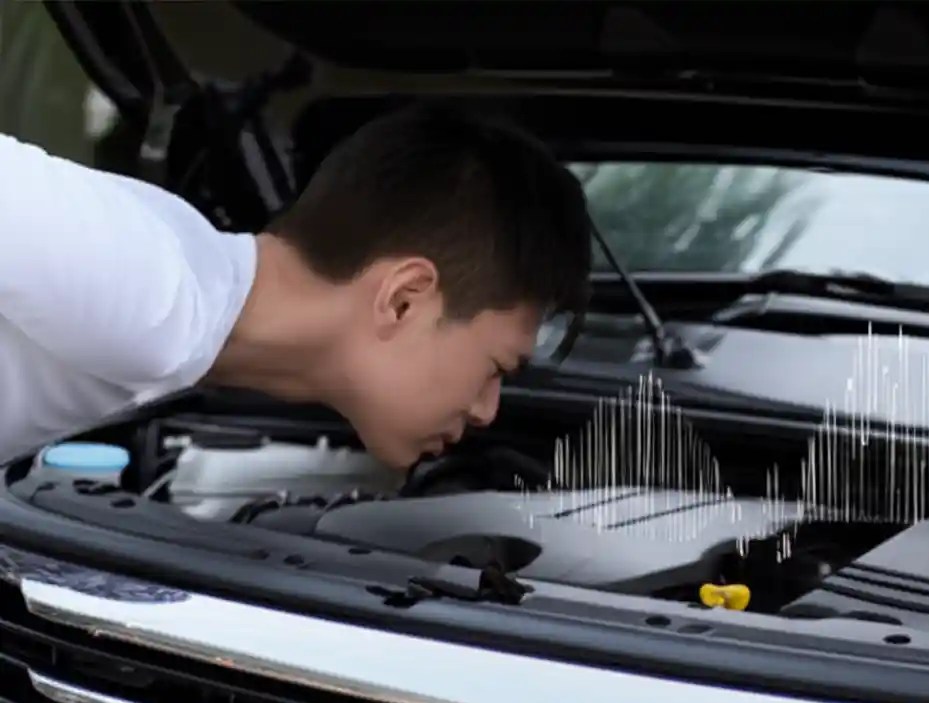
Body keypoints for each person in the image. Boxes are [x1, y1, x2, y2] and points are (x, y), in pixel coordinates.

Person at [0, 104, 593, 470]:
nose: (488, 410)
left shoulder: (181, 290)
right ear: (403, 298)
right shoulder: (155, 297)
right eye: (494, 367)